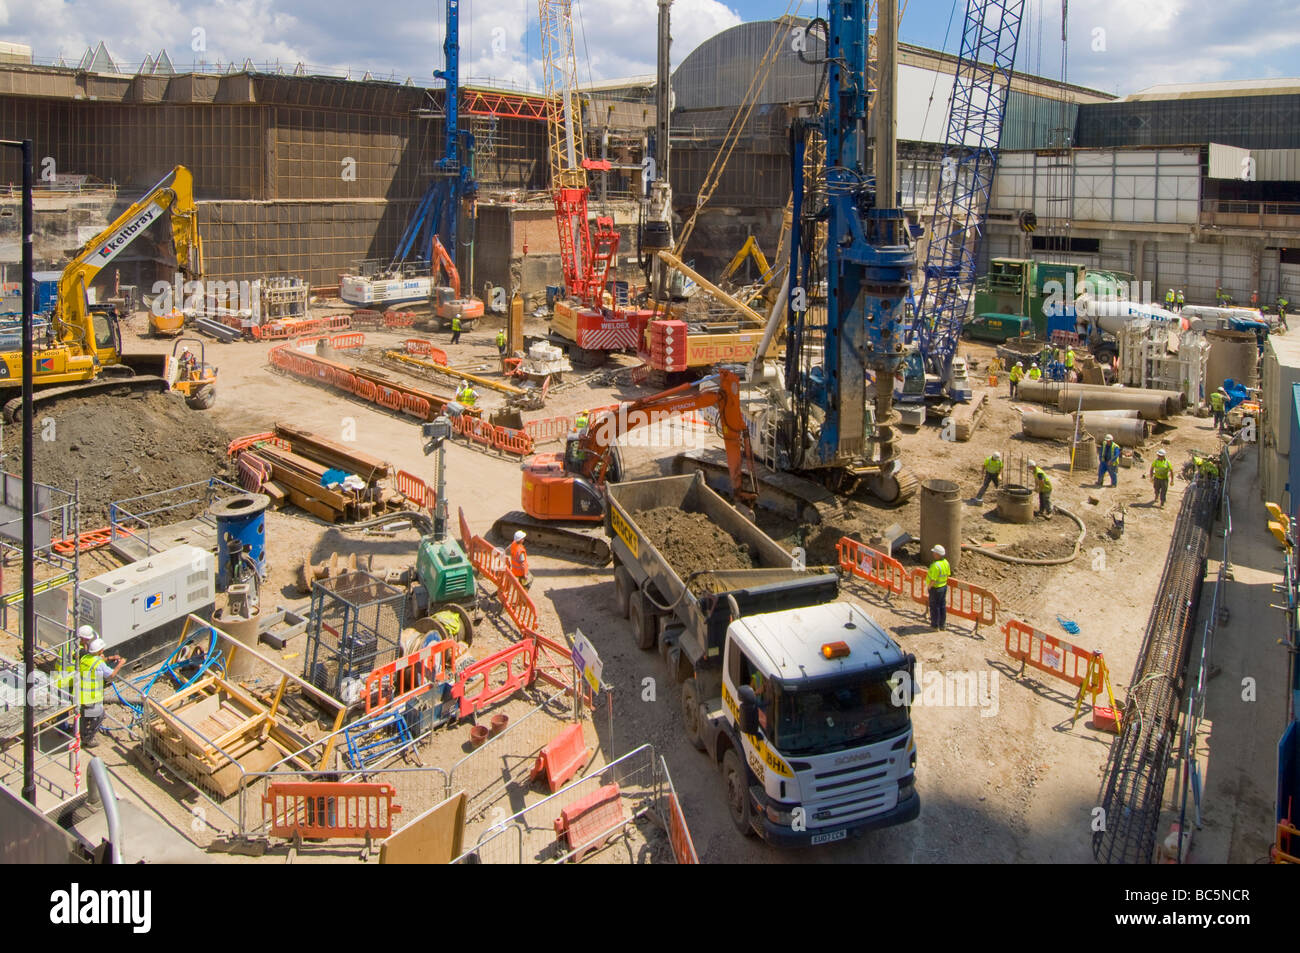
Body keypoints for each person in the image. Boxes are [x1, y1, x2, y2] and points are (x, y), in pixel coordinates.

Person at [57, 626, 126, 748]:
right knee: (96, 714)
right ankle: (83, 736)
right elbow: (110, 675)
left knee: (82, 712)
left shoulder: (81, 653)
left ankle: (74, 730)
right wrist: (119, 664)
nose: (87, 642)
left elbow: (92, 658)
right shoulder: (76, 651)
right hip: (69, 681)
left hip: (77, 686)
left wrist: (109, 658)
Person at [926, 545, 950, 631]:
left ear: (937, 554)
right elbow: (947, 574)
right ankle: (942, 625)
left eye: (934, 552)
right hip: (943, 587)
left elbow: (933, 579)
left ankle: (935, 626)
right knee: (942, 606)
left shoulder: (935, 565)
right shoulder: (946, 563)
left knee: (934, 607)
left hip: (935, 589)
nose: (933, 554)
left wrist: (929, 587)